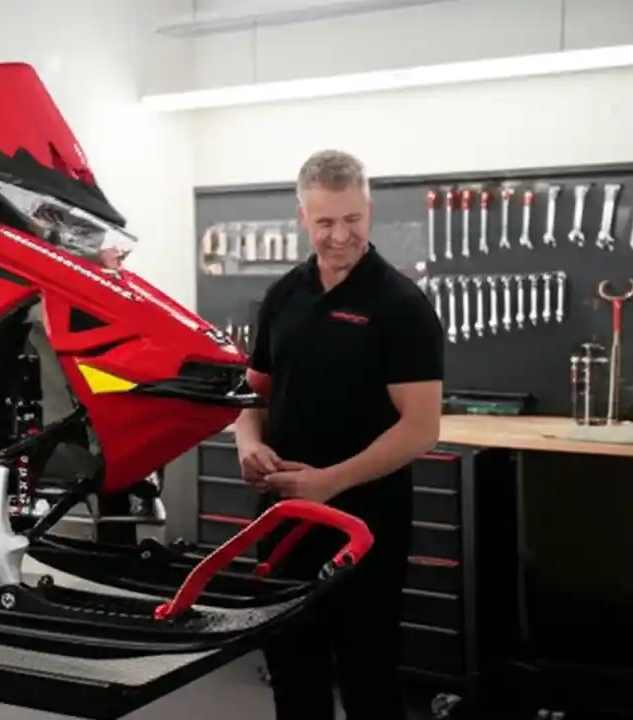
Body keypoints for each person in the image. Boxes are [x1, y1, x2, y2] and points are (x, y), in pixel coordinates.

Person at [233, 149, 444, 720]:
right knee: (292, 672)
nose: (341, 235)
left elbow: (422, 427)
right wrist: (248, 443)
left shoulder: (402, 305)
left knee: (367, 676)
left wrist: (329, 482)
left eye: (352, 219)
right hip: (284, 519)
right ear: (303, 217)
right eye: (325, 222)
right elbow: (252, 394)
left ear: (368, 210)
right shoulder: (283, 296)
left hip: (366, 521)